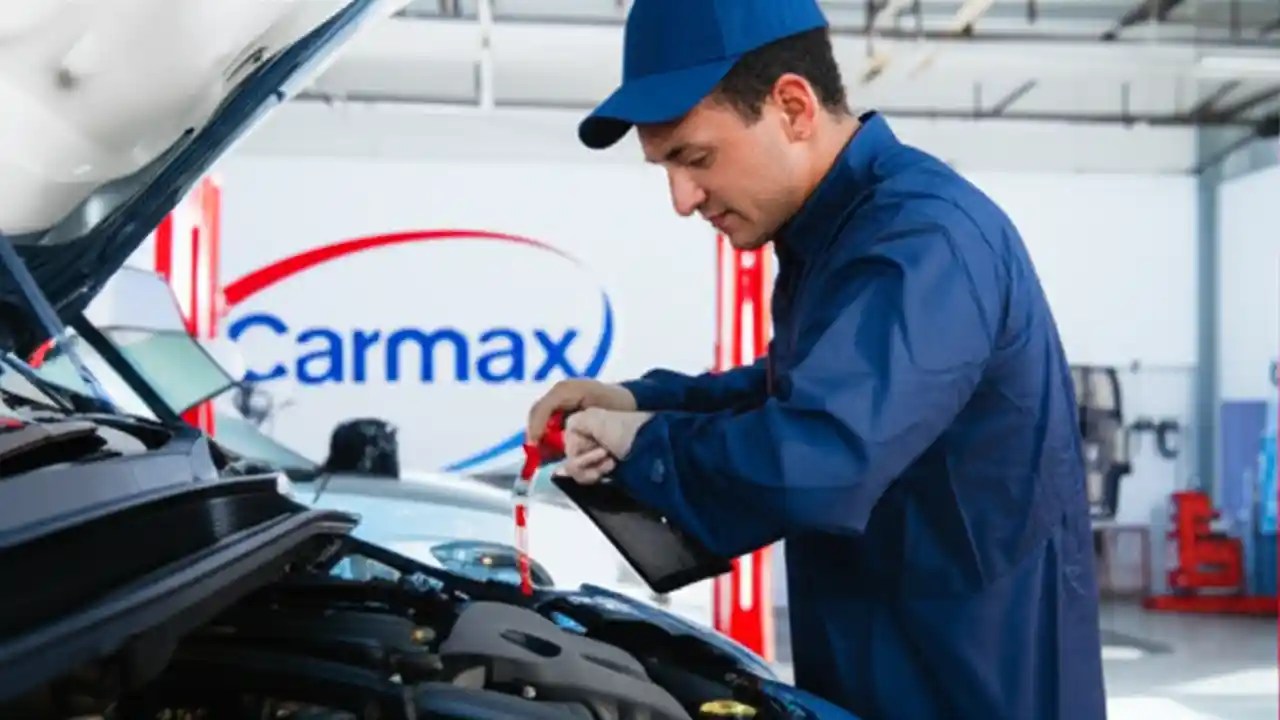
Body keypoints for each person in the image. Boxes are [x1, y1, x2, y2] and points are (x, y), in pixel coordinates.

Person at [525, 1, 1107, 718]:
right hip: (889, 665)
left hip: (969, 687)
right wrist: (638, 403)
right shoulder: (838, 236)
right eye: (665, 167)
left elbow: (823, 454)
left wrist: (647, 443)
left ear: (793, 107)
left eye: (695, 158)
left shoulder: (922, 240)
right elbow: (793, 389)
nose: (682, 199)